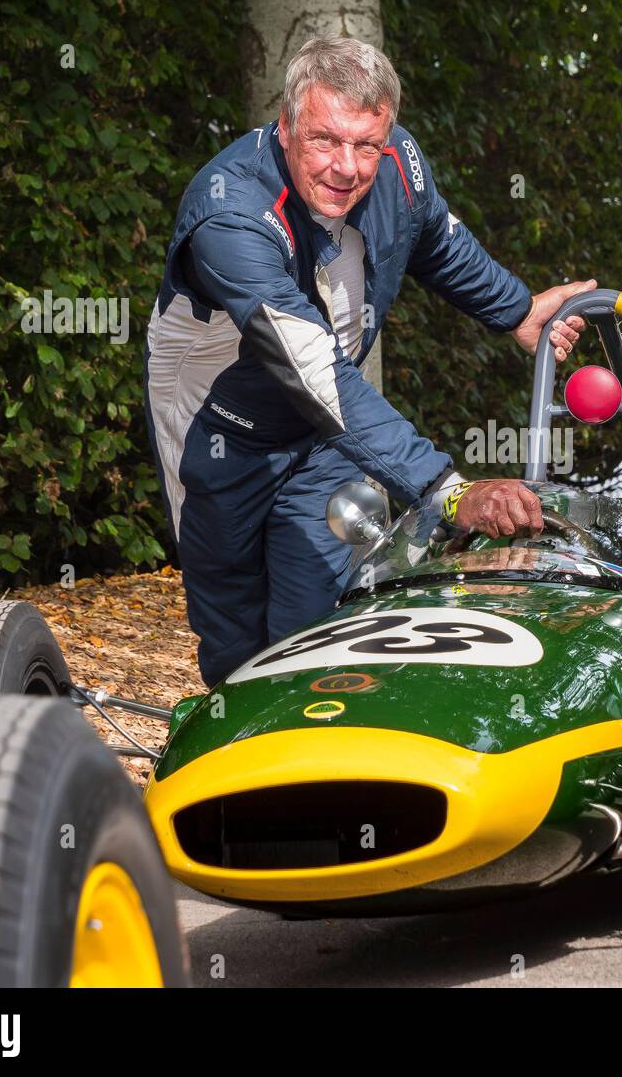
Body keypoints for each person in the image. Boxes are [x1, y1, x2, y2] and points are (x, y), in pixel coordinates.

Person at [145, 37, 591, 686]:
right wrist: (447, 490)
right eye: (325, 141)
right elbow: (308, 368)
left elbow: (433, 239)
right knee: (235, 642)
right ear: (287, 125)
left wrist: (517, 309)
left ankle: (324, 766)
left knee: (317, 625)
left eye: (365, 145)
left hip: (327, 432)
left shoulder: (398, 163)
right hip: (214, 436)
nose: (346, 167)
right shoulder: (229, 213)